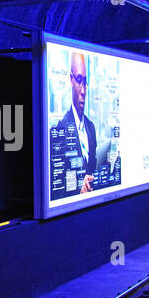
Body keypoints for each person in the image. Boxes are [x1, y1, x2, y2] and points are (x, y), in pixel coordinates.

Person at [50, 52, 99, 197]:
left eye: (85, 82)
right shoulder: (60, 128)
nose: (83, 90)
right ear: (71, 80)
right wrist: (77, 188)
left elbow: (93, 169)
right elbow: (55, 182)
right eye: (79, 80)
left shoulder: (91, 127)